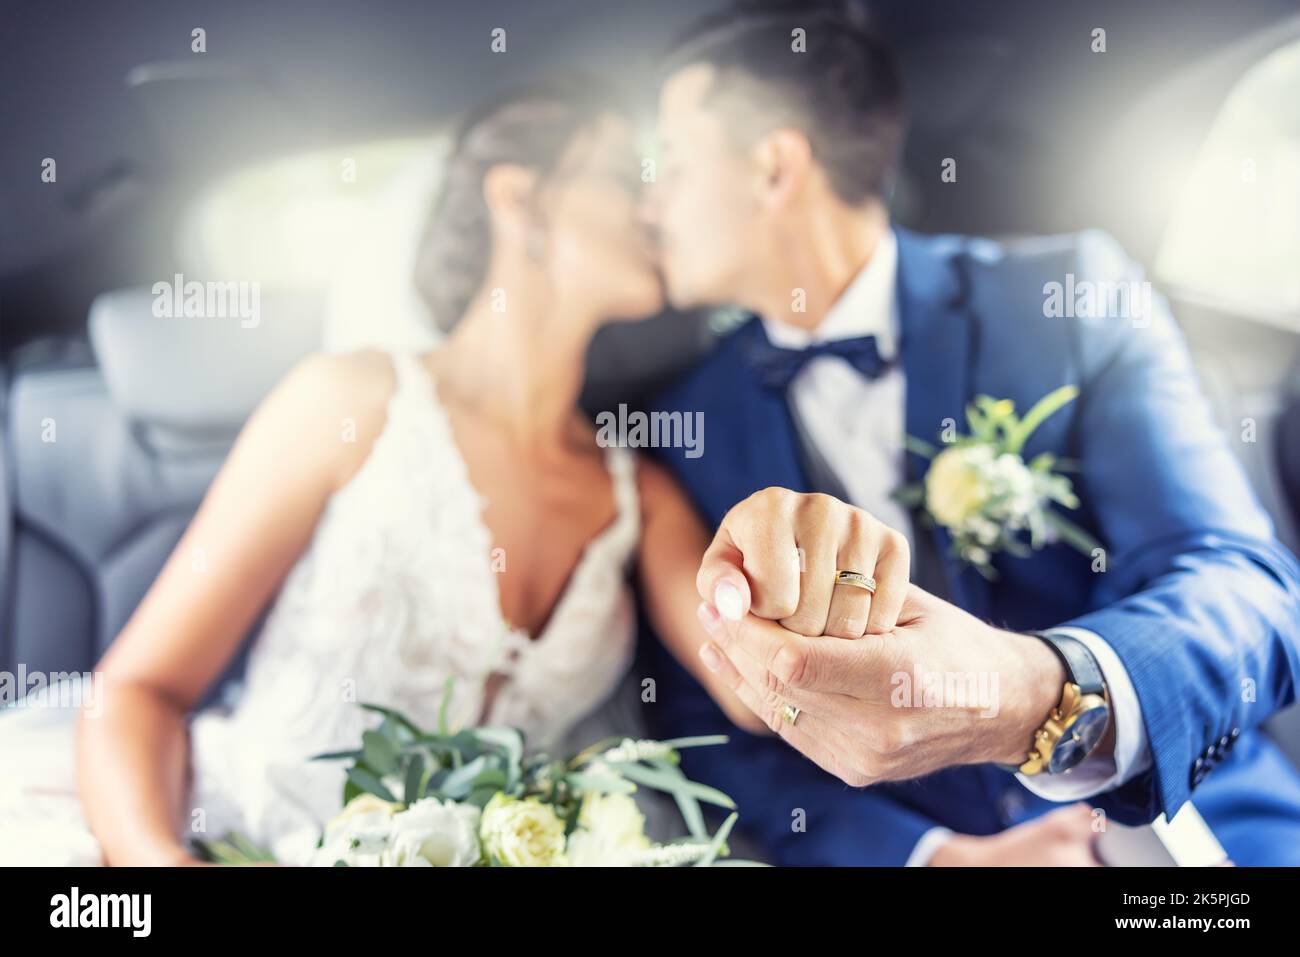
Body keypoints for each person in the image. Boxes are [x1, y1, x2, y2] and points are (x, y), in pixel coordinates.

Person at [0, 79, 897, 866]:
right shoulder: (347, 402)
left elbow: (760, 687)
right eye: (628, 177)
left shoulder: (640, 493)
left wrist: (806, 563)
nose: (656, 207)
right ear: (520, 198)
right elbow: (139, 690)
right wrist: (157, 862)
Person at [639, 1, 1300, 865]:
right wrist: (933, 856)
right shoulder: (684, 426)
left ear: (774, 167)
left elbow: (1249, 589)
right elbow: (715, 735)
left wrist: (1034, 694)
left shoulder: (1067, 298)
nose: (650, 204)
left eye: (672, 165)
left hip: (1196, 827)